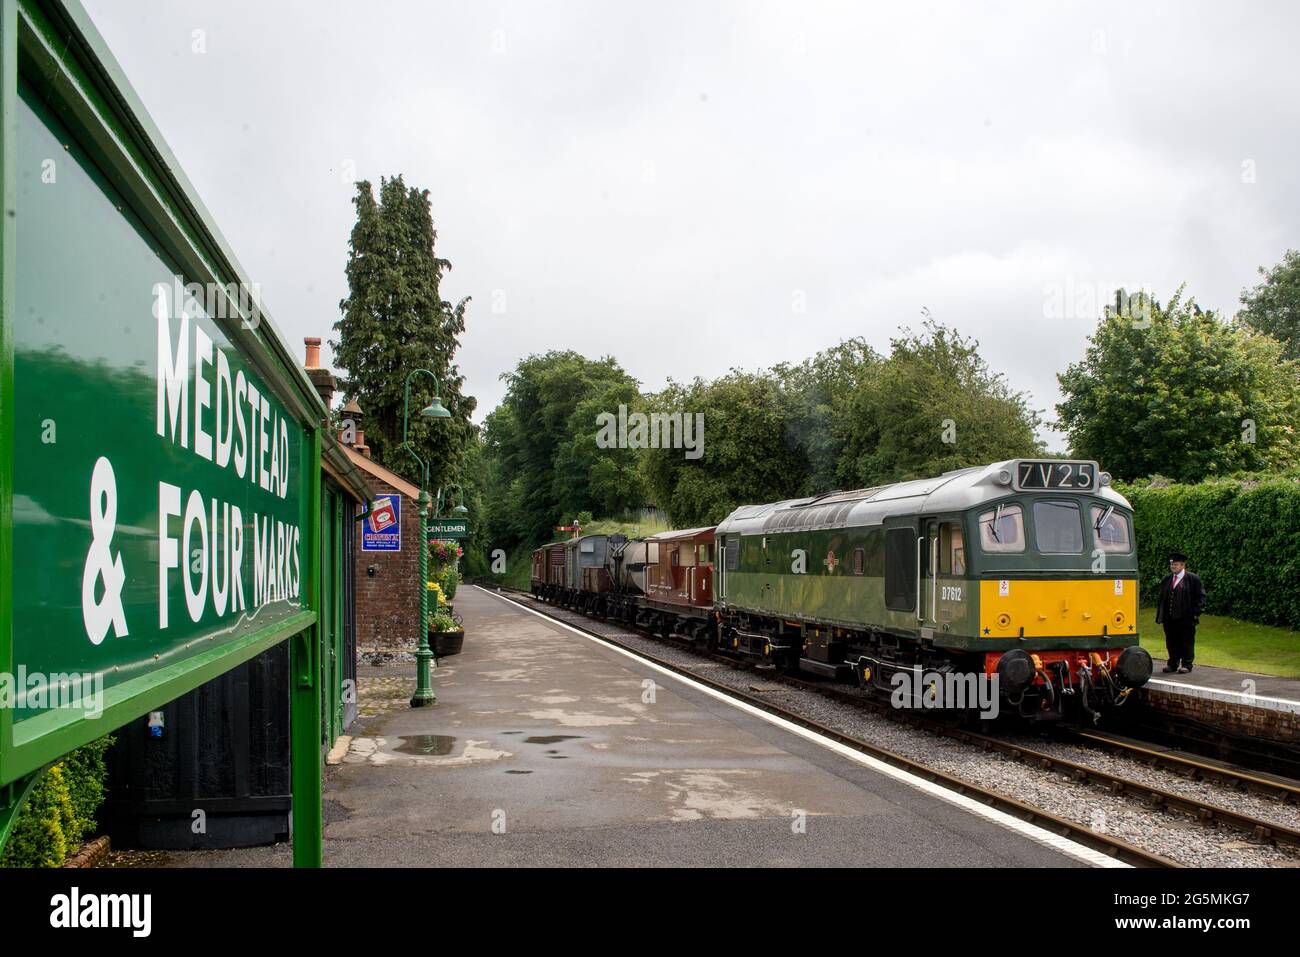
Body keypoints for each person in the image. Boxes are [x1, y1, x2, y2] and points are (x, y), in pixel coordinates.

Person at [1154, 551, 1206, 674]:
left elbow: (1201, 598)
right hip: (1169, 618)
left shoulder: (1193, 579)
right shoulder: (1167, 579)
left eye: (1175, 565)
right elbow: (1162, 597)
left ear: (1182, 565)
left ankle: (1187, 665)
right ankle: (1172, 664)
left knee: (1186, 641)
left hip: (1186, 618)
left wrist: (1195, 613)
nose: (1173, 567)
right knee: (1171, 642)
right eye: (1172, 565)